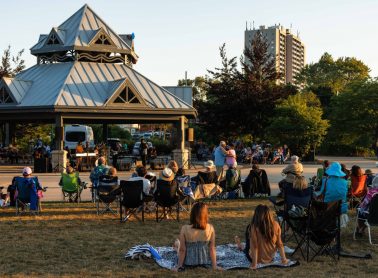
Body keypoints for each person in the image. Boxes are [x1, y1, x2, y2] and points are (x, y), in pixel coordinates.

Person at [235, 205, 288, 269]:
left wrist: (254, 264)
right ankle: (241, 246)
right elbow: (279, 244)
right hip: (270, 258)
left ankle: (240, 246)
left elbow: (254, 247)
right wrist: (284, 259)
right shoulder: (276, 224)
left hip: (255, 259)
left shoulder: (253, 227)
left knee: (247, 244)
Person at [174, 202, 219, 271]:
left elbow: (182, 250)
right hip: (205, 261)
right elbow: (212, 249)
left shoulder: (185, 228)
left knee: (178, 247)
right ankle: (176, 245)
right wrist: (214, 266)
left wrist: (179, 266)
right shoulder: (210, 228)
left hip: (188, 262)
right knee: (178, 246)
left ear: (192, 214)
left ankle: (176, 246)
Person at [315, 162, 349, 227]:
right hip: (342, 207)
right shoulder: (345, 182)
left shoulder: (326, 180)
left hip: (328, 206)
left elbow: (321, 194)